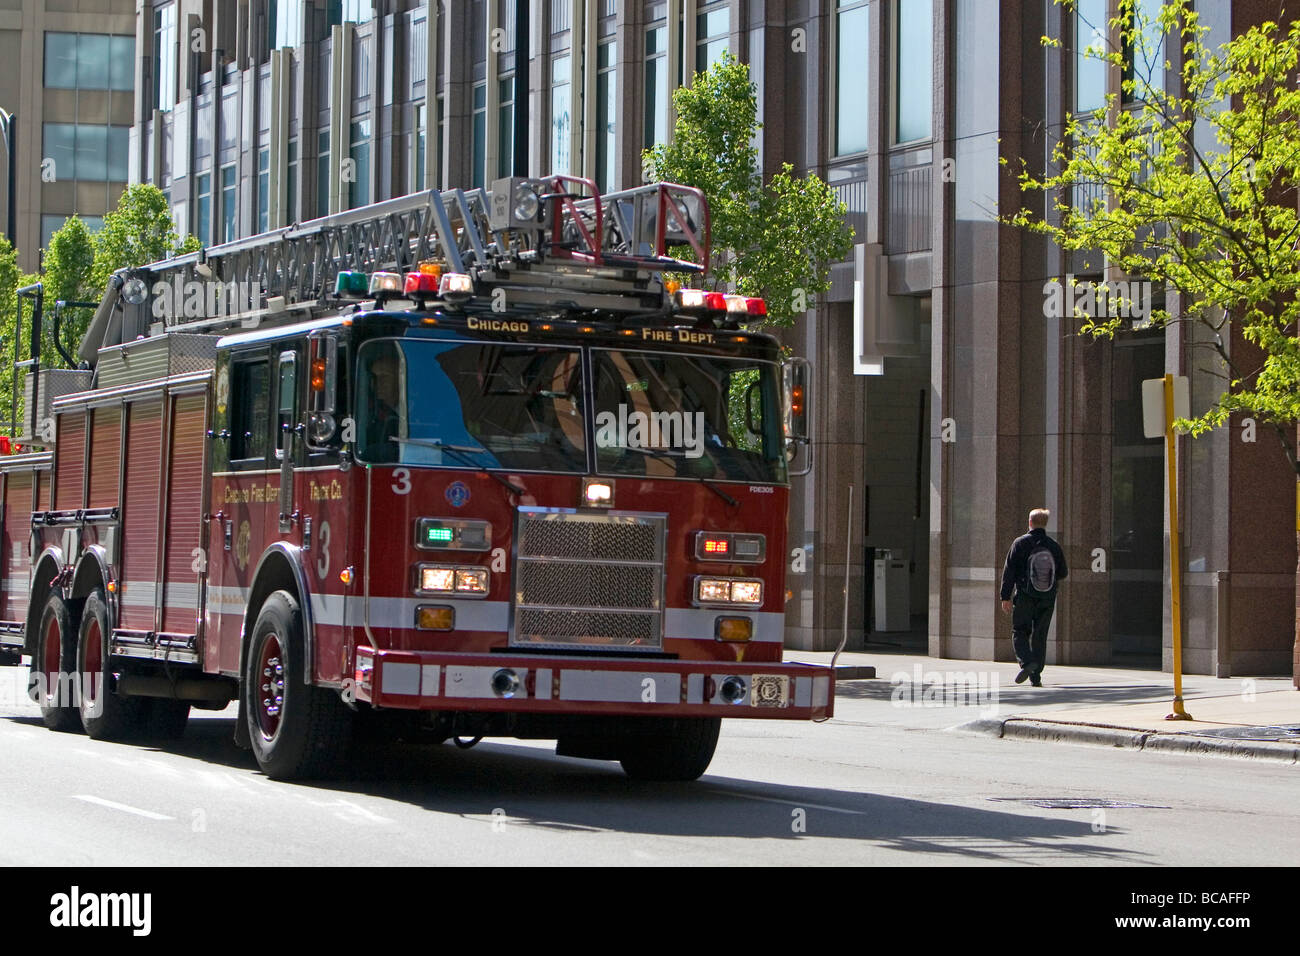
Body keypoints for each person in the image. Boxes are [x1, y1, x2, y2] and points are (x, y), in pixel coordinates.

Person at [999, 508, 1068, 686]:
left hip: (1025, 595)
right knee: (1040, 635)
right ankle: (1036, 677)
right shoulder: (1053, 545)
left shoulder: (1020, 543)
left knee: (1020, 631)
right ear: (1045, 523)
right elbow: (1063, 572)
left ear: (1030, 522)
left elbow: (1009, 572)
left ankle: (1027, 662)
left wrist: (1005, 597)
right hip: (1047, 597)